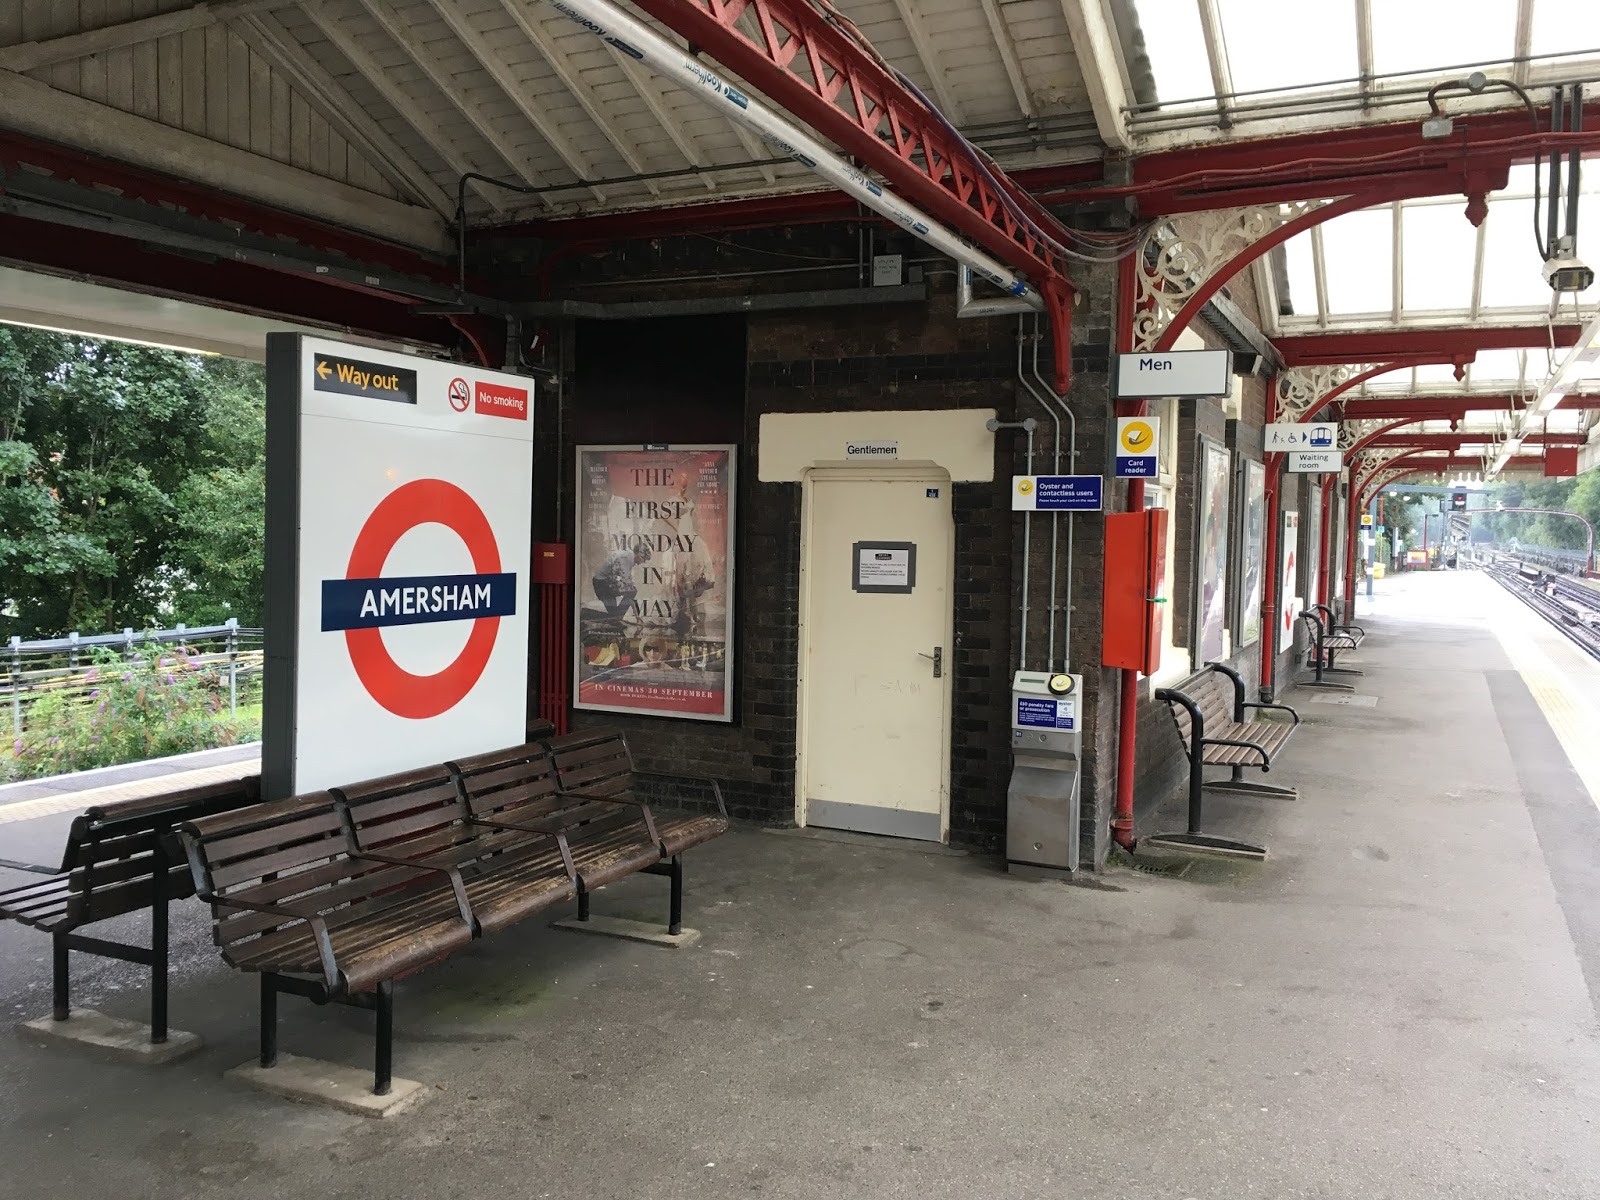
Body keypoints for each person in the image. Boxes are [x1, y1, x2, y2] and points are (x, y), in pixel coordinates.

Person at [591, 542, 651, 619]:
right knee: (615, 615)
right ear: (639, 556)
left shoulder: (629, 557)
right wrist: (636, 616)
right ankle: (595, 616)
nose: (644, 562)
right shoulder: (625, 560)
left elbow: (629, 588)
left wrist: (636, 616)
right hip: (601, 584)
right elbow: (629, 590)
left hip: (605, 583)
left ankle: (616, 617)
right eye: (644, 559)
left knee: (615, 614)